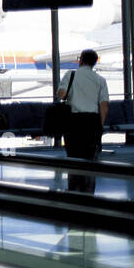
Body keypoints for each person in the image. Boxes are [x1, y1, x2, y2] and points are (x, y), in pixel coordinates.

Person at [58, 48, 109, 193]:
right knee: (90, 160)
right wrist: (100, 126)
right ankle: (88, 192)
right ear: (94, 62)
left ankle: (74, 191)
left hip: (73, 122)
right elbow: (104, 106)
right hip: (92, 122)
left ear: (80, 60)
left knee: (73, 158)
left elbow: (61, 95)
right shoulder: (100, 80)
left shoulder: (71, 75)